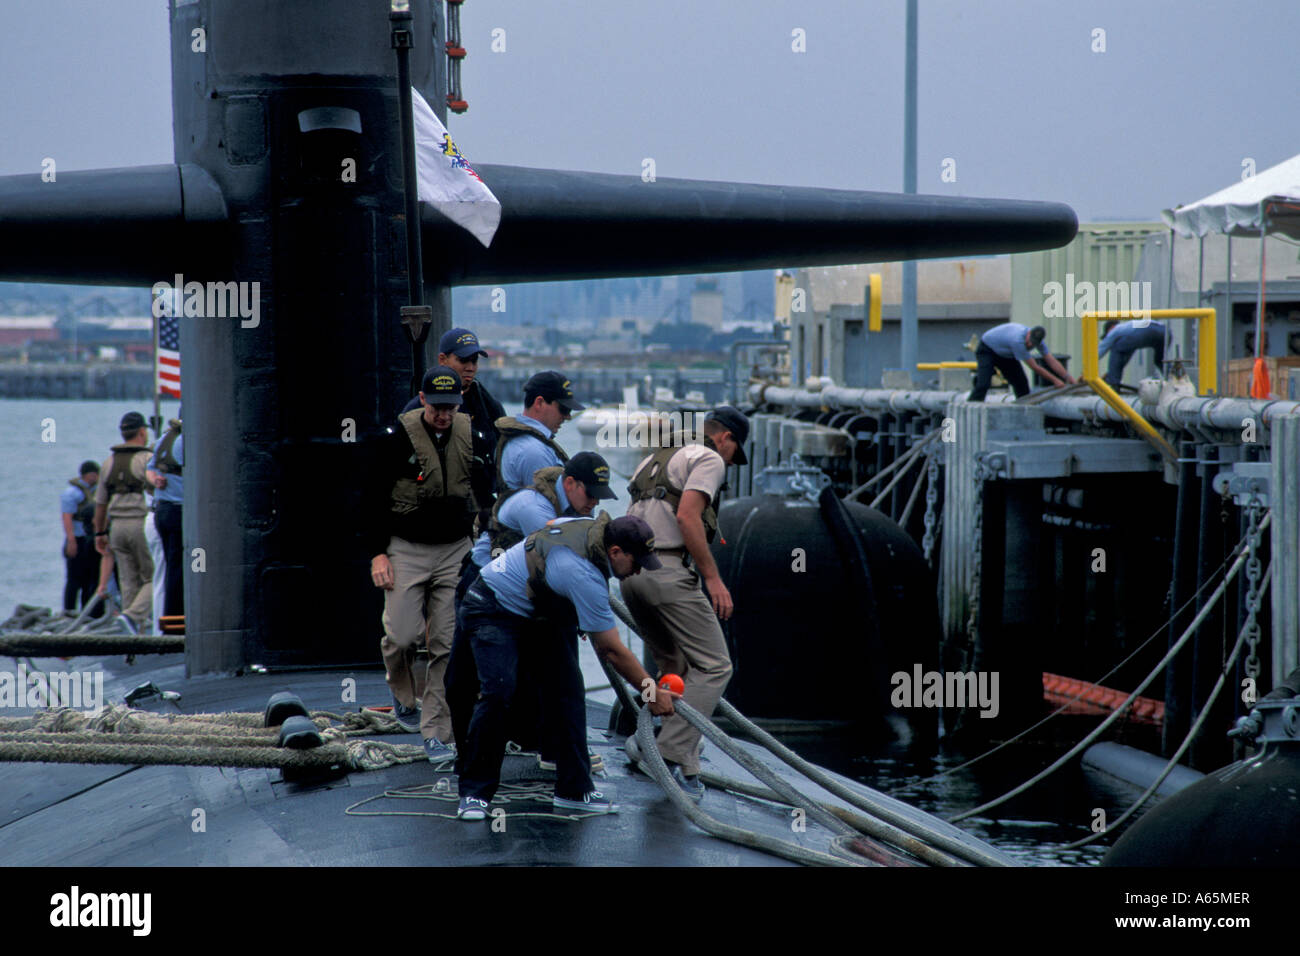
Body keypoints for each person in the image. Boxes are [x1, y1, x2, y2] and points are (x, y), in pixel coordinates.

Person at [455, 514, 672, 821]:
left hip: (536, 613)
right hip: (491, 605)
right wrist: (651, 692)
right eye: (636, 561)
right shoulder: (584, 576)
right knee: (499, 692)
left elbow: (551, 525)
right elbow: (610, 649)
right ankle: (474, 793)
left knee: (568, 690)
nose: (638, 570)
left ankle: (574, 789)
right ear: (614, 553)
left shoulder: (588, 525)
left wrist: (568, 603)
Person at [447, 451, 617, 764]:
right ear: (569, 483)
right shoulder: (534, 507)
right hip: (484, 588)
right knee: (466, 678)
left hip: (531, 595)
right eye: (590, 494)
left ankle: (552, 749)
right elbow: (559, 561)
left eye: (599, 497)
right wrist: (582, 612)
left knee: (558, 676)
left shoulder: (577, 508)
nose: (595, 503)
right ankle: (465, 756)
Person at [619, 405, 749, 801]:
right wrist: (712, 579)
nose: (730, 460)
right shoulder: (708, 457)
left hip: (633, 579)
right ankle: (668, 753)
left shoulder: (655, 457)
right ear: (724, 437)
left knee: (674, 666)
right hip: (668, 571)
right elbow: (689, 518)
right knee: (714, 666)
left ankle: (685, 765)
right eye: (733, 451)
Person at [365, 365, 486, 763]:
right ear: (422, 400)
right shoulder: (395, 440)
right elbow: (370, 500)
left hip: (455, 549)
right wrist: (378, 552)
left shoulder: (472, 436)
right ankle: (402, 694)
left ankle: (437, 732)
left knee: (446, 644)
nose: (444, 415)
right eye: (436, 407)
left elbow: (486, 496)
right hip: (407, 547)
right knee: (400, 636)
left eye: (451, 408)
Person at [402, 328, 504, 519]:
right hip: (430, 508)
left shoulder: (487, 406)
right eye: (463, 360)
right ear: (443, 359)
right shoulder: (416, 410)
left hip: (477, 507)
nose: (470, 367)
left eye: (474, 361)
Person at [92, 412, 154, 633]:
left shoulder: (108, 463)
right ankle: (132, 616)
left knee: (128, 581)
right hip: (140, 523)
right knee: (153, 577)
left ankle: (133, 634)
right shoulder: (147, 459)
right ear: (142, 432)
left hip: (116, 526)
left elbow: (100, 504)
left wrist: (99, 533)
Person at [967, 323, 1075, 401]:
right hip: (987, 349)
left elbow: (1050, 360)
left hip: (1006, 354)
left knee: (1022, 385)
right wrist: (1056, 380)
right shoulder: (1017, 341)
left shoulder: (1039, 343)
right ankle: (971, 407)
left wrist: (1068, 377)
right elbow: (1035, 367)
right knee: (983, 384)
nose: (1029, 345)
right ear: (1028, 333)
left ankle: (1023, 410)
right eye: (1029, 342)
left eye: (1033, 345)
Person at [146, 411, 184, 629]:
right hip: (179, 511)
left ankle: (168, 622)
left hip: (162, 512)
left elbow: (150, 470)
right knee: (180, 569)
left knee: (172, 567)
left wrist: (157, 480)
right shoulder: (189, 440)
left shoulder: (165, 438)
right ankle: (174, 623)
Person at [60, 460, 101, 617]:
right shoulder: (72, 493)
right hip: (76, 538)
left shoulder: (96, 491)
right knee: (73, 579)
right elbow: (67, 517)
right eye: (93, 475)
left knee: (89, 579)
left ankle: (88, 612)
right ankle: (69, 611)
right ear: (86, 475)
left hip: (89, 539)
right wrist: (71, 540)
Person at [1099, 319, 1166, 387]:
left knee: (1115, 347)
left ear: (1112, 327)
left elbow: (1101, 349)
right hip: (1164, 331)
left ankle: (1114, 384)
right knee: (1161, 361)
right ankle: (1172, 379)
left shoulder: (1116, 329)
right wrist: (1111, 372)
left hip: (1146, 330)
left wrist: (1089, 366)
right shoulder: (1128, 330)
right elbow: (1123, 359)